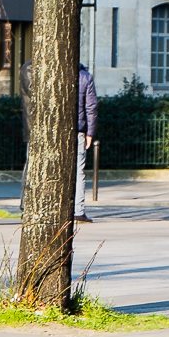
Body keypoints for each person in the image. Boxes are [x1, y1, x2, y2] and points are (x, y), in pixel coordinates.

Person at [75, 63, 98, 222]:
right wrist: (90, 133)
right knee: (79, 171)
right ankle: (78, 210)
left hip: (57, 131)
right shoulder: (85, 77)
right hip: (79, 129)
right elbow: (91, 108)